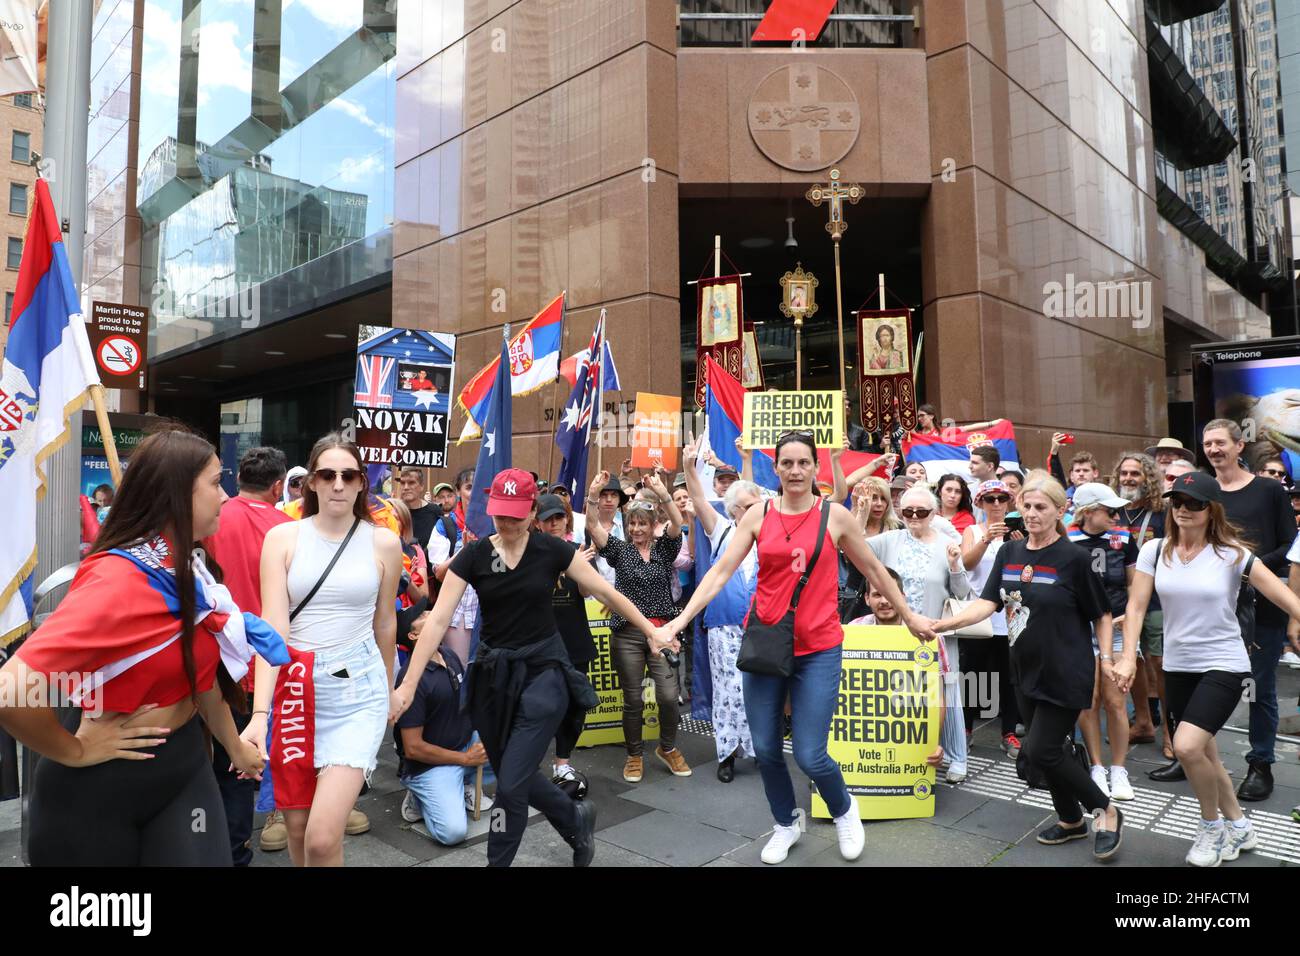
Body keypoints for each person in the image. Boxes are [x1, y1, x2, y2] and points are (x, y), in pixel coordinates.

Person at [657, 431, 938, 865]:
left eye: (803, 463)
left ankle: (844, 809)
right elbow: (717, 574)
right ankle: (786, 822)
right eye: (786, 463)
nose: (794, 471)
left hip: (819, 647)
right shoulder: (756, 517)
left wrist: (911, 615)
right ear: (776, 467)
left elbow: (876, 572)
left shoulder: (836, 517)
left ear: (814, 466)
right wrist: (679, 620)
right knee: (767, 748)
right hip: (767, 644)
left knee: (809, 752)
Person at [3, 428, 266, 865]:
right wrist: (76, 750)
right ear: (178, 493)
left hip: (183, 770)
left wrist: (234, 746)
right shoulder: (117, 580)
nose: (226, 497)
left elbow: (200, 678)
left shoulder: (188, 567)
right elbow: (10, 692)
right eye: (217, 482)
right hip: (95, 787)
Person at [396, 469, 666, 867]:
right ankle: (575, 821)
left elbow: (606, 590)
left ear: (533, 512)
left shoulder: (552, 550)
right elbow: (437, 620)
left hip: (544, 674)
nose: (505, 524)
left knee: (509, 785)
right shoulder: (474, 556)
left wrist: (651, 631)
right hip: (494, 679)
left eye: (515, 516)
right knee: (515, 773)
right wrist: (406, 687)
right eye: (498, 515)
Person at [932, 471, 1124, 861]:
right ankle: (1071, 820)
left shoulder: (1074, 558)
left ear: (1060, 510)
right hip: (1024, 669)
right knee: (1049, 751)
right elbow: (988, 604)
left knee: (1041, 750)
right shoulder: (1009, 552)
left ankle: (1106, 811)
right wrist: (942, 624)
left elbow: (1102, 613)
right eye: (1028, 506)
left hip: (1066, 670)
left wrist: (1106, 660)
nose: (1033, 514)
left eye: (1042, 507)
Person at [242, 433, 403, 867]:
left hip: (357, 693)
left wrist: (388, 687)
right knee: (296, 828)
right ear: (311, 482)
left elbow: (385, 622)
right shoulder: (282, 538)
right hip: (294, 689)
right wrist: (259, 716)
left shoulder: (384, 542)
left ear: (361, 483)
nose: (337, 484)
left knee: (321, 836)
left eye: (348, 475)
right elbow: (272, 628)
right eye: (327, 474)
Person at [1124, 471, 1300, 865]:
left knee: (1186, 747)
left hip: (1225, 663)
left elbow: (1281, 592)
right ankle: (1239, 826)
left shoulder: (1232, 553)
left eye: (1194, 503)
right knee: (1207, 754)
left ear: (1211, 509)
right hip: (1178, 664)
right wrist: (1123, 656)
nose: (1184, 510)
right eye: (1177, 502)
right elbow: (1136, 605)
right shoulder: (1154, 550)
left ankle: (1211, 829)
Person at [203, 445, 292, 863]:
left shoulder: (211, 521)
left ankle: (222, 845)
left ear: (238, 480)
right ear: (279, 487)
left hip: (218, 659)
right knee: (258, 758)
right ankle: (248, 839)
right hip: (269, 660)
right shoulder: (290, 529)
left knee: (224, 760)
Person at [1202, 418, 1296, 801]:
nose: (1213, 449)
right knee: (1198, 684)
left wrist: (1248, 568)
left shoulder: (1269, 490)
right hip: (1210, 607)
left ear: (1240, 446)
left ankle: (1261, 763)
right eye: (1207, 443)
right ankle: (1193, 753)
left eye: (1220, 442)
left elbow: (1290, 545)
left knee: (1257, 689)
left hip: (1261, 608)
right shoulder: (1203, 491)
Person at [585, 469, 690, 782]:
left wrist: (663, 492)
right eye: (632, 523)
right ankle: (634, 755)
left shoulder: (664, 549)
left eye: (642, 523)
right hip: (627, 635)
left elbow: (678, 521)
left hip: (662, 635)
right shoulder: (620, 551)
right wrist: (593, 494)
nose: (636, 529)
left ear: (652, 524)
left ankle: (667, 748)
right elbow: (592, 526)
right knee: (632, 699)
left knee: (669, 696)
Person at [867, 484, 973, 781]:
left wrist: (955, 566)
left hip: (935, 632)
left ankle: (956, 757)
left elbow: (963, 594)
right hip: (895, 632)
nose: (914, 516)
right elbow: (853, 546)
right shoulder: (890, 539)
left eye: (921, 511)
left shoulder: (947, 543)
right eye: (908, 511)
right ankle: (904, 752)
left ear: (934, 513)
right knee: (898, 693)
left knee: (946, 693)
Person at [682, 436, 761, 782]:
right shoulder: (722, 530)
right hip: (725, 626)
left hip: (762, 624)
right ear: (733, 511)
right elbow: (698, 499)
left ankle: (761, 749)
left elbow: (749, 488)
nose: (754, 509)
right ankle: (727, 753)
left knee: (759, 686)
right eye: (747, 506)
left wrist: (746, 458)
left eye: (756, 503)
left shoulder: (770, 533)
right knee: (728, 688)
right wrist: (688, 466)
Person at [1067, 482, 1139, 802]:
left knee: (1116, 701)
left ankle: (1119, 769)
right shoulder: (1067, 541)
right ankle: (1096, 766)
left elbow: (1137, 586)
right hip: (1081, 630)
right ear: (1088, 512)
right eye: (1109, 509)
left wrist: (1129, 616)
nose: (1115, 514)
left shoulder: (1123, 538)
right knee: (1088, 700)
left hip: (1120, 627)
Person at [393, 640, 489, 846]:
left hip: (463, 743)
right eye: (422, 614)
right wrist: (465, 759)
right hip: (430, 764)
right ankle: (419, 798)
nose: (430, 613)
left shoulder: (448, 654)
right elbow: (412, 748)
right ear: (413, 635)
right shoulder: (409, 677)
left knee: (509, 739)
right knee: (453, 832)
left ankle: (462, 784)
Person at [1108, 453, 1169, 762]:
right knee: (1136, 663)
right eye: (1124, 473)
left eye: (1136, 474)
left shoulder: (1162, 512)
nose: (1129, 479)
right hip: (1122, 602)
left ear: (1148, 479)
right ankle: (1144, 722)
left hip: (1156, 598)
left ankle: (1171, 733)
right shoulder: (1112, 514)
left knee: (1160, 663)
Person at [534, 493, 598, 784]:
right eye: (548, 519)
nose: (554, 523)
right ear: (537, 523)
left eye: (559, 517)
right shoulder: (530, 553)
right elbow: (530, 595)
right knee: (540, 704)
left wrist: (581, 570)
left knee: (575, 705)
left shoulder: (578, 549)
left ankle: (563, 763)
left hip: (574, 640)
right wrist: (562, 567)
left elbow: (588, 594)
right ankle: (531, 762)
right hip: (541, 642)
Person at [959, 479, 1024, 756]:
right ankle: (966, 728)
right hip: (979, 613)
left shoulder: (1020, 532)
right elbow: (966, 563)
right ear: (979, 503)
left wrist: (1020, 546)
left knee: (1010, 676)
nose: (996, 504)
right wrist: (986, 539)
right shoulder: (972, 530)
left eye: (1001, 498)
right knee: (973, 674)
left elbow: (1026, 571)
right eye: (990, 499)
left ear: (1009, 502)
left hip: (1011, 614)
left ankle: (1009, 731)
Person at [399, 468, 439, 546]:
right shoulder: (394, 511)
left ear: (421, 486)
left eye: (411, 483)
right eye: (402, 483)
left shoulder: (435, 511)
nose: (406, 487)